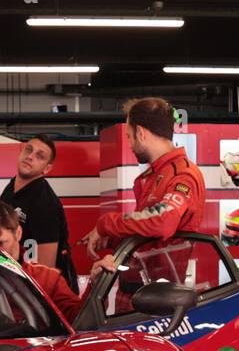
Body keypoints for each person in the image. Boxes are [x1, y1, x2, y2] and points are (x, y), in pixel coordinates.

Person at [78, 97, 206, 273]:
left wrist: (106, 224)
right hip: (144, 283)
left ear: (140, 133)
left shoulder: (183, 174)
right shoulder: (155, 175)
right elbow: (150, 234)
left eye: (129, 137)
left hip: (163, 291)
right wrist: (111, 239)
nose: (130, 144)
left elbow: (163, 222)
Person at [0, 200, 82, 322]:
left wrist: (95, 284)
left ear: (18, 233)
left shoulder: (47, 279)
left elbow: (81, 318)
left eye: (0, 243)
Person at [0, 134, 76, 285]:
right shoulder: (10, 189)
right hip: (16, 280)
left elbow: (46, 270)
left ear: (46, 169)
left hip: (45, 292)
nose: (30, 157)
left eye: (39, 156)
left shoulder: (45, 203)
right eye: (28, 150)